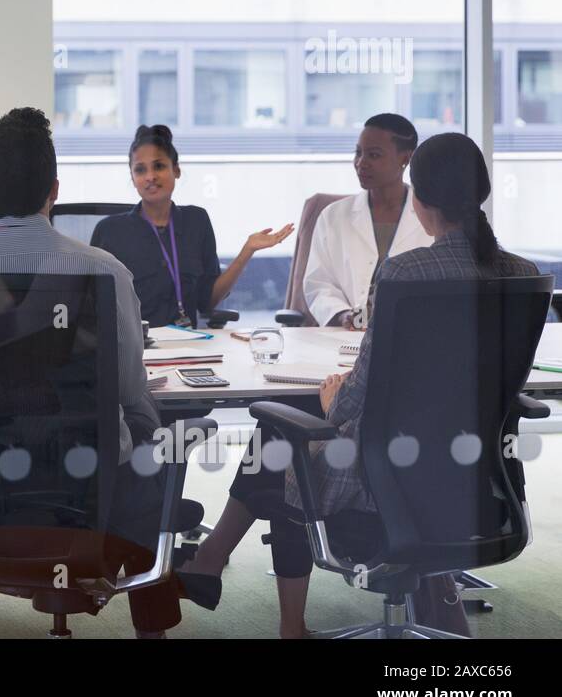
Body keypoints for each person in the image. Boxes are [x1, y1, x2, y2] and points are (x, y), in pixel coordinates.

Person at [192, 132, 539, 637]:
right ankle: (215, 564)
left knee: (280, 439)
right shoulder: (523, 274)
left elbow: (359, 395)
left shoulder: (404, 273)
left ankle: (242, 586)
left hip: (390, 488)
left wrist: (334, 399)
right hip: (482, 488)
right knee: (282, 442)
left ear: (418, 199)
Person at [0, 108, 220, 637]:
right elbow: (131, 394)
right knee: (150, 449)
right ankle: (152, 618)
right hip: (96, 505)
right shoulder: (105, 271)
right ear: (53, 189)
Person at [91, 124, 293, 329]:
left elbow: (208, 302)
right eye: (140, 170)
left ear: (176, 170)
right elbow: (94, 307)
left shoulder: (196, 221)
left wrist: (247, 250)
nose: (150, 176)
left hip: (188, 346)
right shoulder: (110, 232)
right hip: (135, 348)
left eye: (159, 166)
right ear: (133, 179)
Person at [303, 113, 433, 330]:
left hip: (411, 334)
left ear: (405, 159)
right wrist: (343, 314)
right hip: (346, 337)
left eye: (374, 155)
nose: (361, 163)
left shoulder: (429, 217)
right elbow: (318, 284)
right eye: (358, 153)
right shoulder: (333, 216)